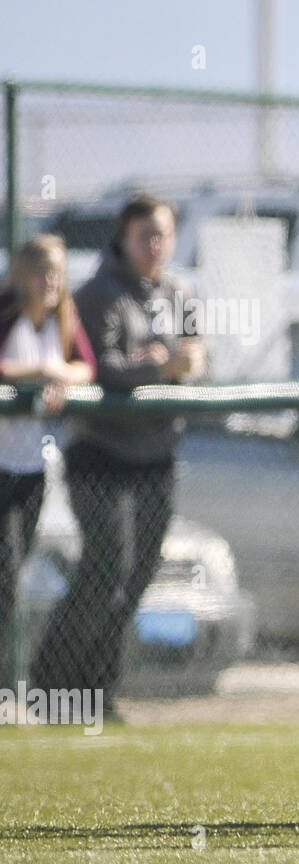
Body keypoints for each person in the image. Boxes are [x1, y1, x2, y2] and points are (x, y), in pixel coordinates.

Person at [29, 194, 206, 716]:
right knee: (107, 568)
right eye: (145, 235)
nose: (156, 246)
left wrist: (185, 362)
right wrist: (157, 365)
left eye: (164, 235)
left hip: (157, 455)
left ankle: (96, 694)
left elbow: (196, 357)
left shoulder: (178, 292)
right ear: (123, 238)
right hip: (102, 452)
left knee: (137, 576)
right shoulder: (98, 294)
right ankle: (51, 688)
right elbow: (100, 369)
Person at [0, 236, 96, 683]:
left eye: (57, 272)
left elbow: (86, 366)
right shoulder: (9, 312)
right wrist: (38, 372)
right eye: (42, 272)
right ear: (22, 275)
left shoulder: (61, 319)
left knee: (13, 574)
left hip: (31, 468)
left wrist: (60, 374)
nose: (51, 281)